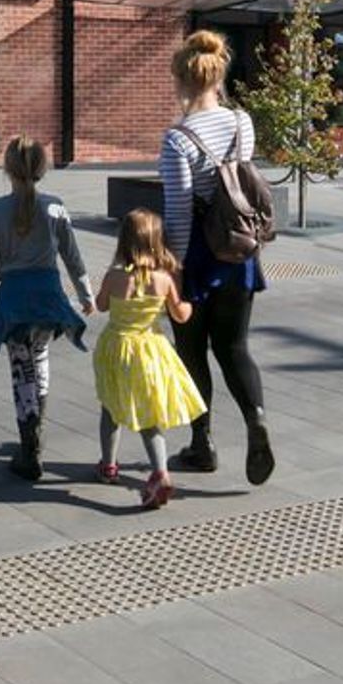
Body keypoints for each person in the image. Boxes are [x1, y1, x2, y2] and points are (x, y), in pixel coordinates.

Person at [158, 29, 274, 482]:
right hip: (240, 251)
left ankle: (201, 443)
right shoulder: (242, 122)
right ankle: (256, 418)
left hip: (198, 256)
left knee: (192, 352)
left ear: (182, 81)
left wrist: (173, 268)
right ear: (218, 77)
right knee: (235, 347)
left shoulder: (178, 138)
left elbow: (178, 211)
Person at [0, 136, 95, 482]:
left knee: (21, 367)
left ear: (7, 169)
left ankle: (29, 445)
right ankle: (37, 430)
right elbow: (72, 255)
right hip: (48, 297)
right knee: (40, 358)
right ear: (42, 168)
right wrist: (86, 294)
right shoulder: (55, 207)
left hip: (13, 300)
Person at [93, 206, 208, 511]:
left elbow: (101, 305)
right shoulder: (163, 279)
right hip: (150, 350)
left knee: (111, 407)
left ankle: (108, 465)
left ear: (124, 241)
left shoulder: (115, 276)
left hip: (117, 347)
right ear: (158, 242)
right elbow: (181, 315)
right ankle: (159, 470)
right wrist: (190, 304)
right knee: (149, 415)